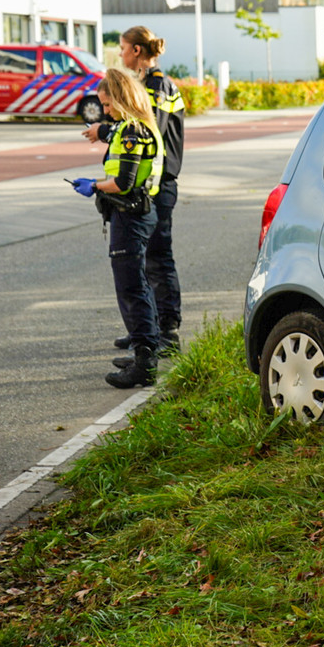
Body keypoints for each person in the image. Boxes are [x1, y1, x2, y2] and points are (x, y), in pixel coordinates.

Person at [83, 26, 184, 354]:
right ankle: (146, 328)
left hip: (157, 185)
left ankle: (166, 330)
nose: (121, 54)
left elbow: (144, 126)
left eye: (123, 48)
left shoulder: (157, 85)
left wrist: (105, 130)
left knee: (157, 258)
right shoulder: (152, 83)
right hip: (150, 183)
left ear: (137, 51)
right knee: (141, 262)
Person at [72, 69, 165, 389]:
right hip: (136, 215)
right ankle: (146, 350)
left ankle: (145, 362)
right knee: (137, 284)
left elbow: (123, 183)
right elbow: (115, 139)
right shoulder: (134, 128)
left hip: (131, 216)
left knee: (131, 287)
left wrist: (94, 186)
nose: (105, 112)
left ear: (122, 100)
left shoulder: (132, 132)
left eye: (108, 105)